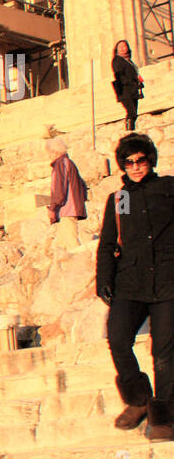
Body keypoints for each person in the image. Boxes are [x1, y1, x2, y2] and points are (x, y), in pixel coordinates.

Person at [96, 133, 174, 440]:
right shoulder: (120, 200)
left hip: (168, 281)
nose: (136, 167)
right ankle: (139, 399)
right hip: (130, 281)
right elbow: (107, 244)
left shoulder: (169, 188)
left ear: (150, 160)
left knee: (165, 354)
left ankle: (164, 417)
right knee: (117, 337)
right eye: (129, 162)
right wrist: (104, 280)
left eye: (141, 160)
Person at [46, 138, 88, 251]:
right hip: (70, 209)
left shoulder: (61, 164)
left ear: (54, 151)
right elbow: (83, 186)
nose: (48, 156)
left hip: (67, 209)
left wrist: (52, 208)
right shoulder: (69, 163)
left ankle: (81, 264)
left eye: (48, 152)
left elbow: (59, 190)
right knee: (62, 245)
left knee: (72, 243)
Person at [112, 39, 144, 132]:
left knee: (134, 112)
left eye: (124, 46)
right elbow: (119, 76)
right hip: (125, 90)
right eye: (120, 47)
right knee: (131, 111)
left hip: (133, 90)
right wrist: (131, 80)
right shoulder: (117, 60)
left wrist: (138, 80)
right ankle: (129, 130)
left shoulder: (128, 61)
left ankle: (132, 129)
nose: (122, 49)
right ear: (117, 49)